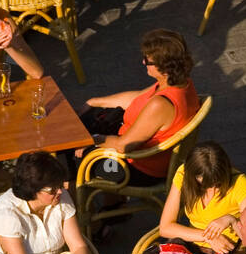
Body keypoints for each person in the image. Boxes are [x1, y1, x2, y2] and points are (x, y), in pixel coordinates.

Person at [76, 29, 199, 186]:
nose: (143, 62)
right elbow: (138, 97)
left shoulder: (161, 104)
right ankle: (114, 204)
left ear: (165, 68)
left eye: (148, 61)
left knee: (76, 156)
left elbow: (122, 146)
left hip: (136, 168)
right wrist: (94, 102)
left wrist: (91, 140)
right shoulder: (179, 83)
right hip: (138, 152)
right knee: (84, 122)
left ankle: (99, 204)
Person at [0, 151, 95, 254]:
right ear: (32, 190)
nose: (60, 191)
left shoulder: (61, 197)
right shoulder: (7, 213)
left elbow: (77, 246)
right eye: (52, 190)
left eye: (59, 185)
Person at [155, 141, 246, 254]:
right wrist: (208, 237)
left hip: (225, 252)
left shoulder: (239, 182)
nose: (212, 189)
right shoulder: (183, 174)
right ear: (192, 176)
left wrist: (232, 220)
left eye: (218, 184)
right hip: (192, 246)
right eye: (205, 184)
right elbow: (165, 228)